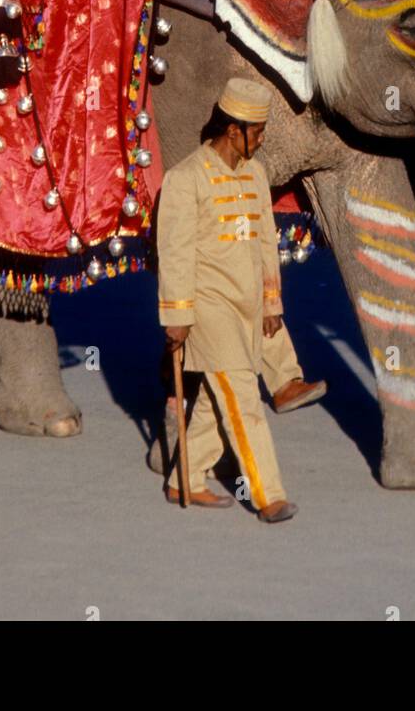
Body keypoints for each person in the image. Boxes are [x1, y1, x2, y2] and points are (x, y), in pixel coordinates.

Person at [157, 78, 296, 522]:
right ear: (233, 129)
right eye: (256, 131)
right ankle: (268, 495)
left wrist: (271, 306)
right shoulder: (185, 179)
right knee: (243, 400)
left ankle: (186, 479)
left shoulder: (256, 174)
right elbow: (174, 252)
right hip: (208, 309)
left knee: (216, 405)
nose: (262, 138)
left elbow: (266, 245)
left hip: (247, 306)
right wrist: (176, 316)